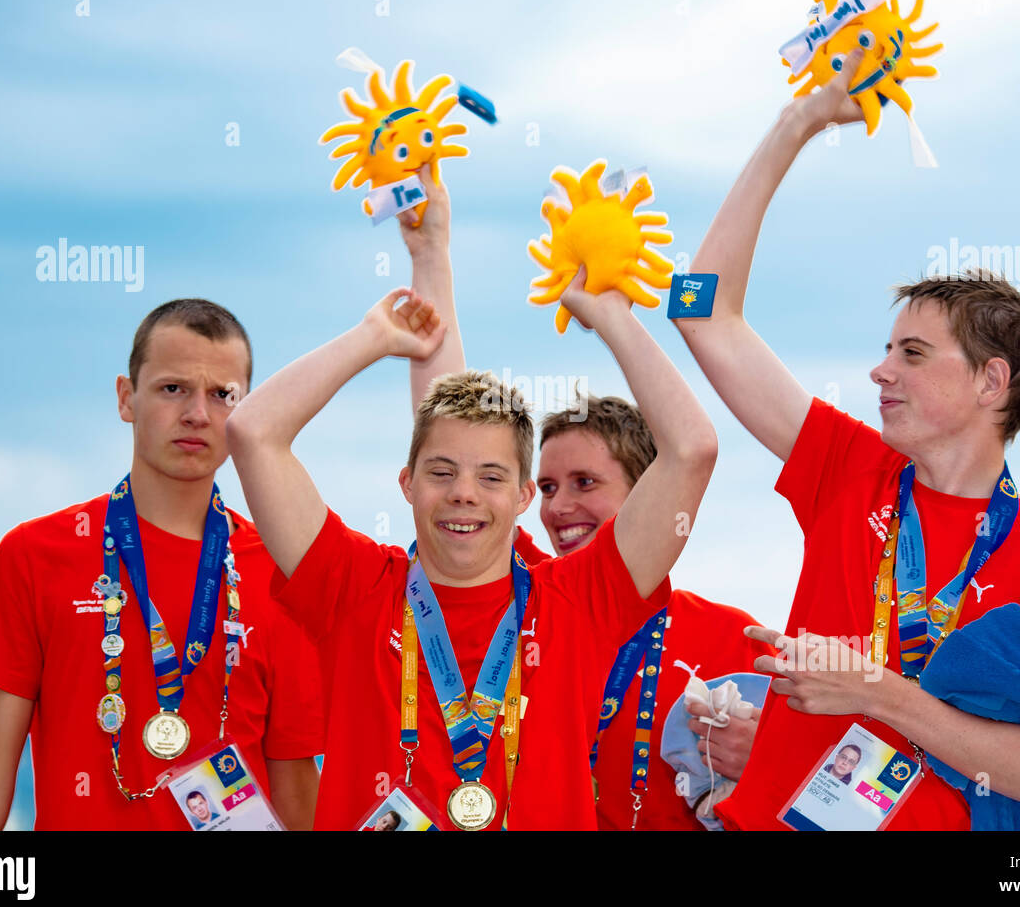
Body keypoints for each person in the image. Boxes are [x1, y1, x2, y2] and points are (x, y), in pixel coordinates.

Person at [673, 49, 1020, 830]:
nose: (879, 373)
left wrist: (875, 693)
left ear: (990, 383)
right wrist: (798, 122)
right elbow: (701, 312)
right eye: (885, 351)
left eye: (911, 354)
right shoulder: (850, 470)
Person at [226, 261, 718, 829]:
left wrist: (610, 318)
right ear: (406, 483)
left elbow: (692, 449)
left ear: (524, 494)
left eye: (490, 476)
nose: (464, 494)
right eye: (441, 473)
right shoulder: (355, 585)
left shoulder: (579, 600)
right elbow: (253, 432)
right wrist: (373, 339)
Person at [400, 173, 774, 830]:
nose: (556, 507)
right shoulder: (530, 596)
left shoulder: (730, 638)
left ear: (645, 493)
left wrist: (765, 761)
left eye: (584, 483)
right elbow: (449, 416)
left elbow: (826, 782)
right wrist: (430, 256)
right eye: (544, 487)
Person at [0, 300, 324, 831]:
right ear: (127, 398)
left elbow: (296, 784)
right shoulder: (33, 555)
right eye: (173, 389)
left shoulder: (281, 572)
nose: (197, 413)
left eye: (222, 395)